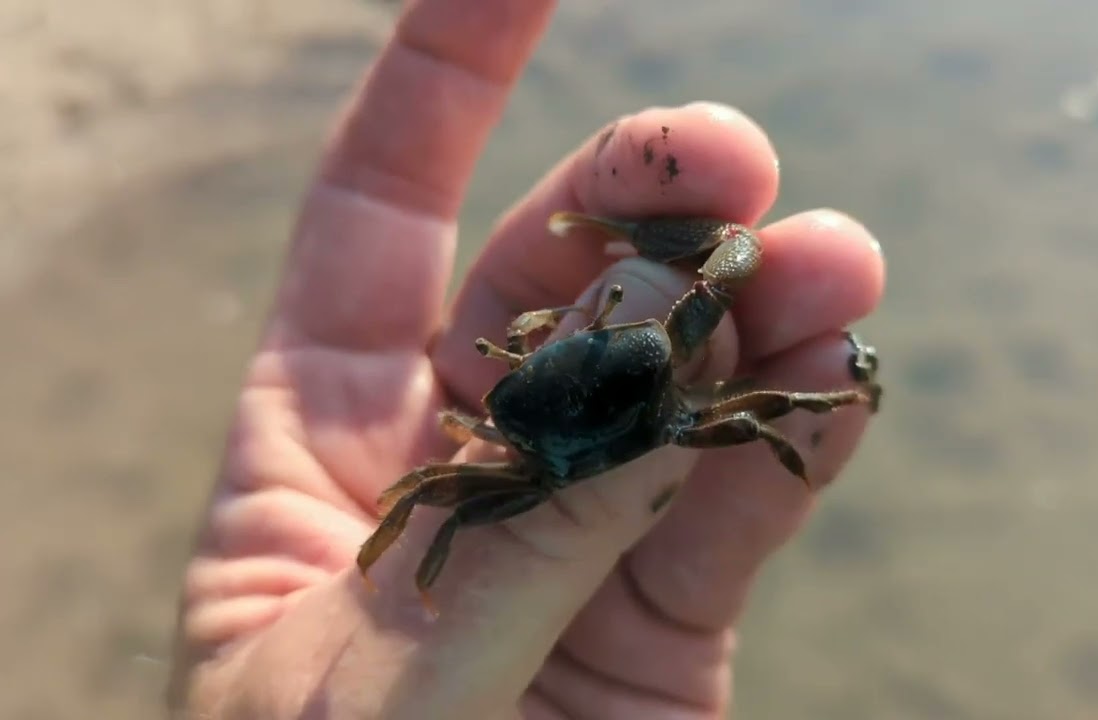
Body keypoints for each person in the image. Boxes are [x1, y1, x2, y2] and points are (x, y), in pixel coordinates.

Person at [166, 1, 886, 717]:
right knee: (760, 412)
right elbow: (741, 264)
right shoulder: (663, 371)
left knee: (435, 499)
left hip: (548, 471)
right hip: (641, 436)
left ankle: (398, 582)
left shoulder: (515, 423)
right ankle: (840, 402)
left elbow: (432, 492)